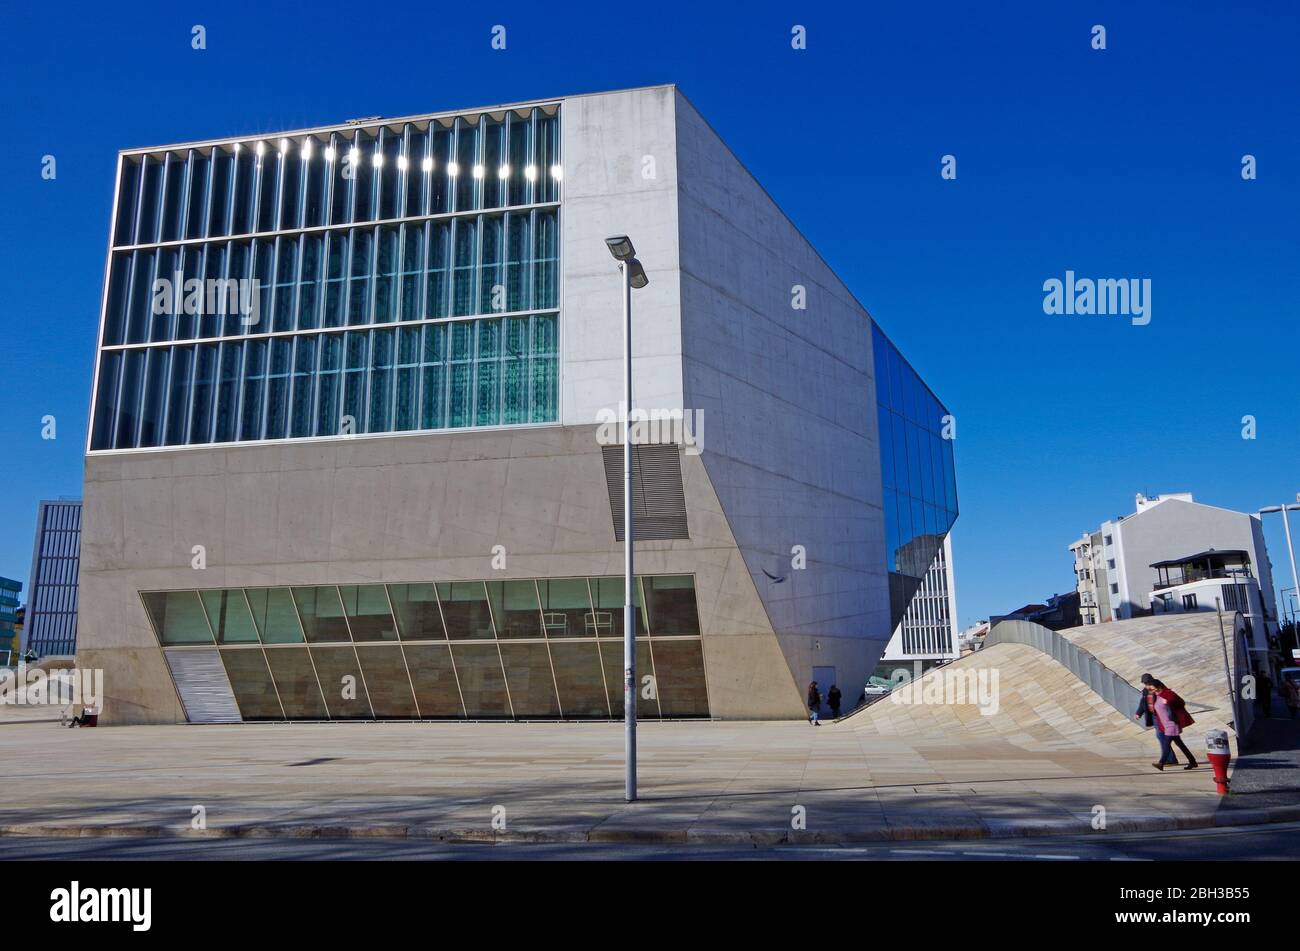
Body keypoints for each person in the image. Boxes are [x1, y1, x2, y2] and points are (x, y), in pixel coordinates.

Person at [1150, 679, 1198, 771]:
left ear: (1159, 687)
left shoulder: (1168, 694)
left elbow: (1180, 702)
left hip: (1172, 724)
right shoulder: (1157, 696)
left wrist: (1168, 702)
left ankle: (1161, 763)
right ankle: (1192, 761)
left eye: (1154, 689)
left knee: (1166, 744)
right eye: (1151, 690)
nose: (1152, 692)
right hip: (1166, 725)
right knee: (1180, 744)